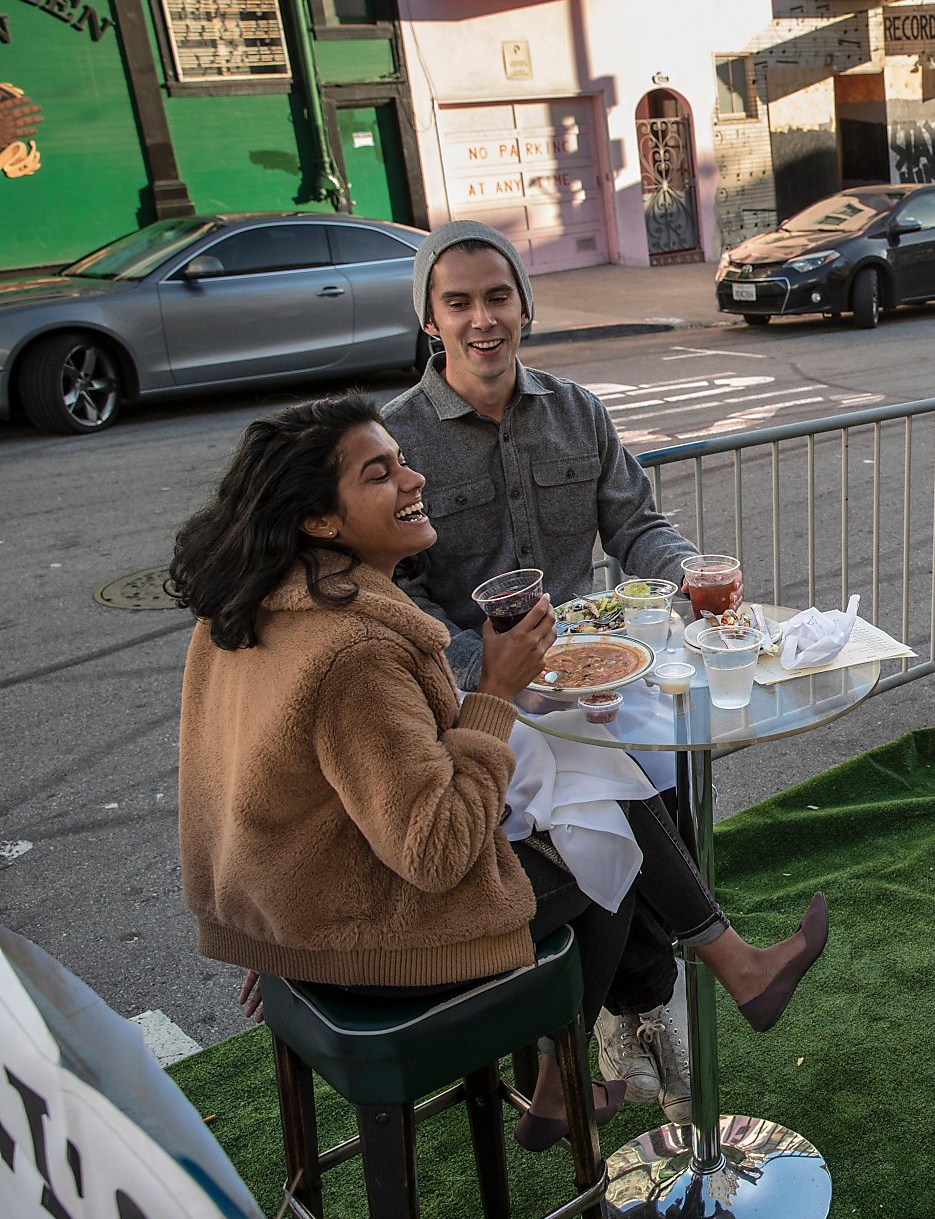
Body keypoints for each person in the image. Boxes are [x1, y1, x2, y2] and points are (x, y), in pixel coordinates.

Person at [170, 395, 831, 1151]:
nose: (414, 479)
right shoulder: (354, 651)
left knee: (583, 764)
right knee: (600, 843)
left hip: (293, 898)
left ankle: (707, 984)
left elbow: (251, 789)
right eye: (380, 474)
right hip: (361, 927)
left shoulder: (254, 602)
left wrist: (258, 919)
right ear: (321, 520)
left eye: (403, 459)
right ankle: (582, 1058)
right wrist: (494, 691)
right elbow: (437, 850)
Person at [382, 221, 713, 1122]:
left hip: (595, 667)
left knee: (662, 785)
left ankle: (637, 1018)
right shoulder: (395, 441)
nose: (482, 319)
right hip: (479, 698)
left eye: (498, 297)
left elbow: (636, 525)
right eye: (459, 302)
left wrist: (683, 567)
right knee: (605, 824)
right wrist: (477, 662)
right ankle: (612, 1027)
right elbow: (391, 589)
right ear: (430, 320)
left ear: (524, 306)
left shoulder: (577, 410)